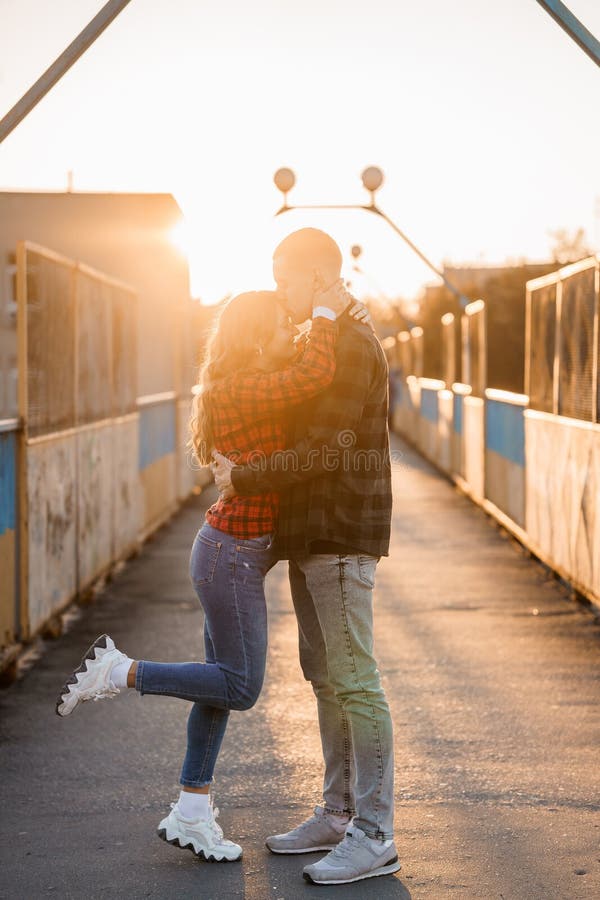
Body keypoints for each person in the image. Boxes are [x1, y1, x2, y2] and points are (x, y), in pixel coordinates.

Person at [55, 285, 354, 863]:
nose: (288, 335)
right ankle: (120, 670)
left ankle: (192, 810)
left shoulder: (242, 384)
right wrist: (323, 311)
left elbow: (303, 374)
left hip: (229, 552)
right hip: (231, 554)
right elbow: (313, 374)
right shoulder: (243, 387)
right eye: (279, 326)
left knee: (216, 686)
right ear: (253, 336)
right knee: (239, 687)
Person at [212, 227, 398, 886]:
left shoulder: (351, 345)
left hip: (342, 534)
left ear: (317, 277)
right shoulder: (328, 336)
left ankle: (376, 832)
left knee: (356, 682)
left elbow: (332, 448)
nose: (279, 290)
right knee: (327, 679)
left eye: (285, 277)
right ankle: (339, 811)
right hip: (312, 536)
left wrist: (245, 478)